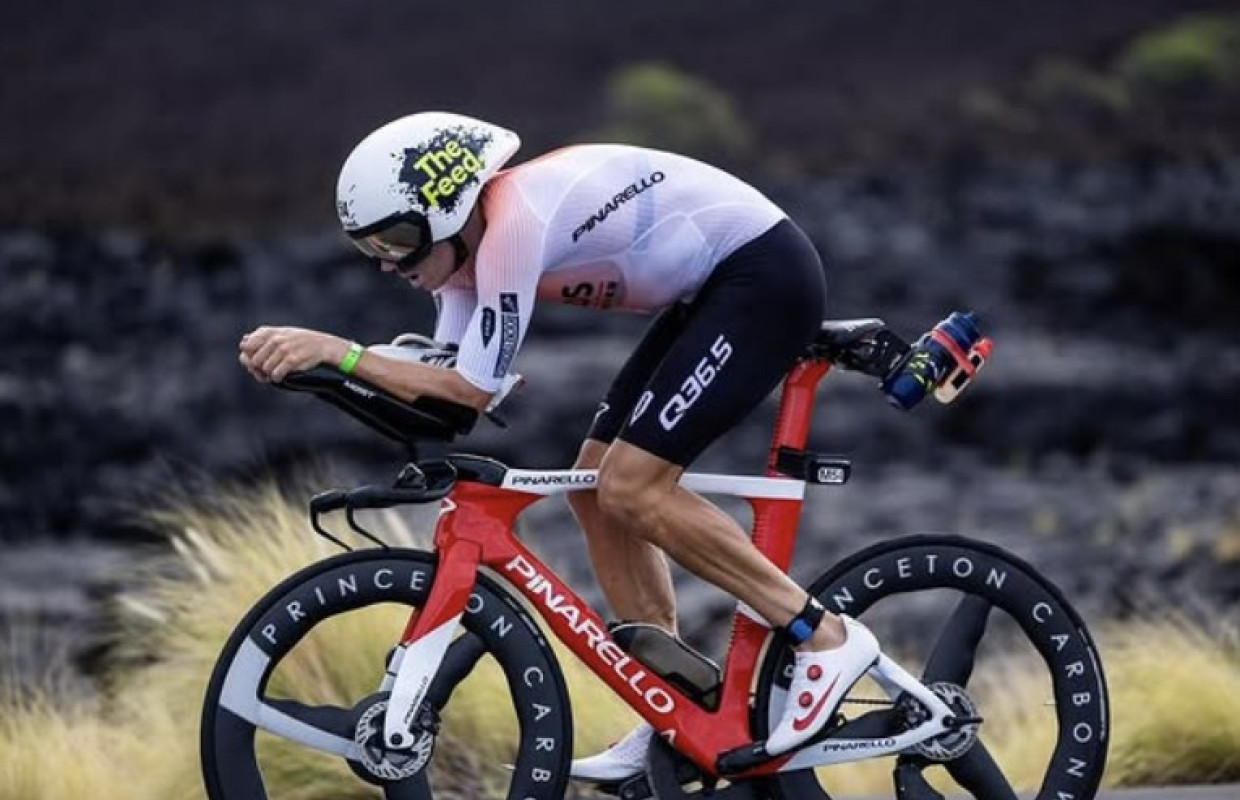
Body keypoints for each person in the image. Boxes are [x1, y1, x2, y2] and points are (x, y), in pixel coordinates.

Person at [238, 111, 879, 780]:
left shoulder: (511, 226)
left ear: (453, 209)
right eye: (370, 247)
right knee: (595, 491)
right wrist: (325, 371)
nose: (388, 265)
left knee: (632, 485)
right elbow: (439, 384)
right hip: (709, 292)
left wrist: (340, 353)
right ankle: (677, 708)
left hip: (762, 276)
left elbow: (471, 390)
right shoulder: (459, 262)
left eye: (398, 239)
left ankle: (824, 635)